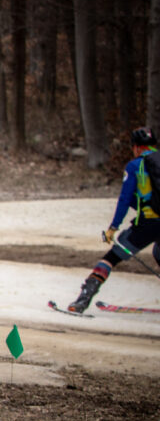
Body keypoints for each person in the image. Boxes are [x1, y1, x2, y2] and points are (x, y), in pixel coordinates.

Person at [67, 126, 160, 313]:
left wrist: (113, 227)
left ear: (136, 147)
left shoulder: (135, 166)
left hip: (148, 223)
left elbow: (125, 199)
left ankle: (83, 300)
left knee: (111, 258)